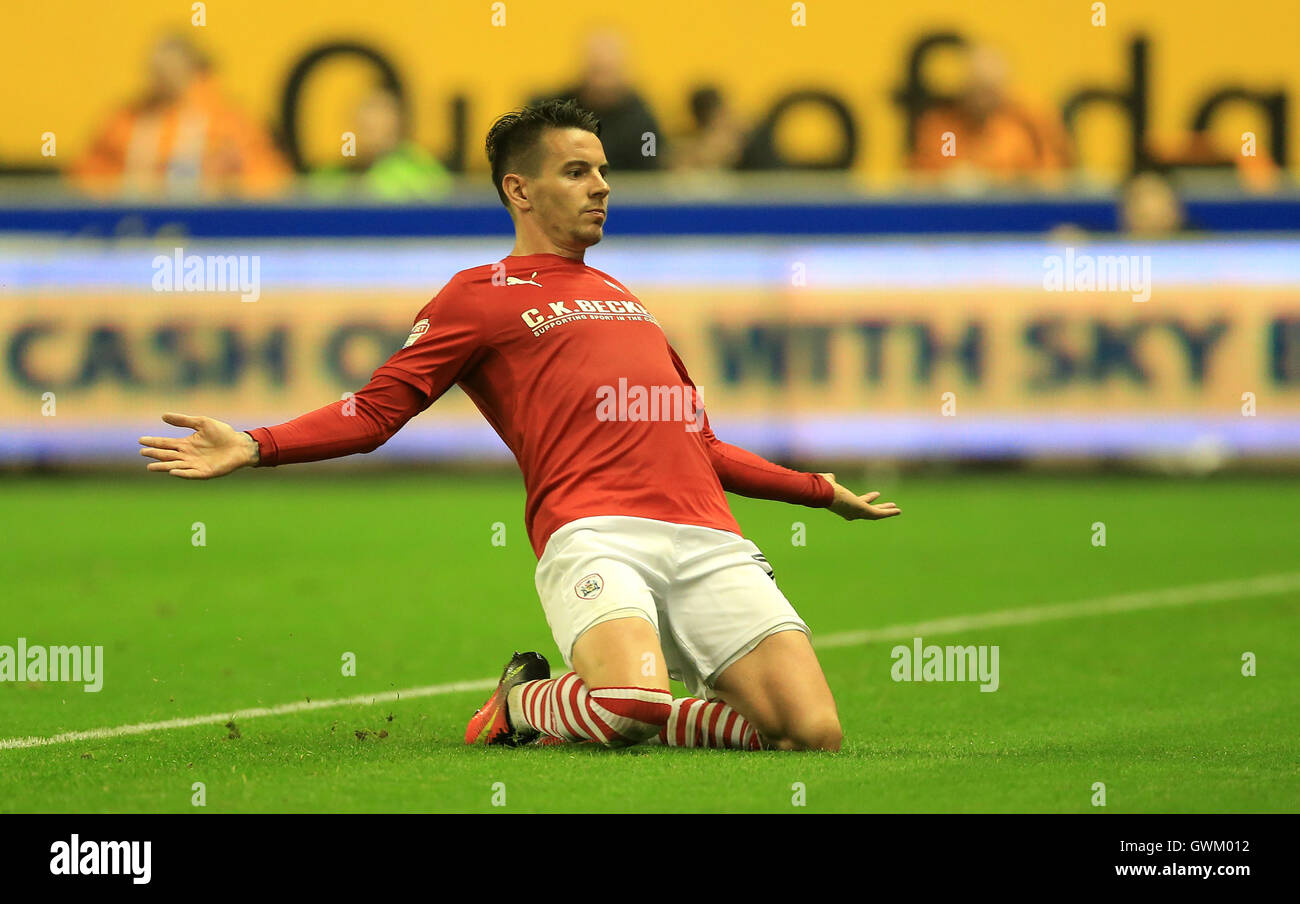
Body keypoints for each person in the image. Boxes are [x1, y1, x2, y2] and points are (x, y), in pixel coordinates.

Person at [137, 99, 901, 752]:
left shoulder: (625, 297)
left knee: (810, 732)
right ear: (520, 189)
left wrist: (816, 491)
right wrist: (256, 443)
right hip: (594, 531)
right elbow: (375, 412)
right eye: (577, 172)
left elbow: (699, 445)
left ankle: (653, 702)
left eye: (603, 171)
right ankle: (521, 702)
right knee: (631, 708)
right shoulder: (478, 296)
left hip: (707, 536)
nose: (601, 186)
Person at [71, 34, 290, 199]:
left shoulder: (229, 122)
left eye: (171, 71)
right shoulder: (126, 120)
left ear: (194, 70)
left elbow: (272, 184)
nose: (162, 81)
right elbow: (83, 182)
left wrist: (231, 183)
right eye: (156, 73)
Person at [308, 85, 452, 201]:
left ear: (398, 122)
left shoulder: (421, 169)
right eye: (365, 118)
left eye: (380, 115)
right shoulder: (333, 174)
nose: (372, 122)